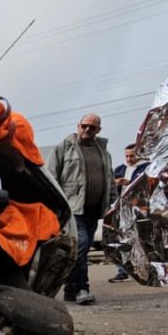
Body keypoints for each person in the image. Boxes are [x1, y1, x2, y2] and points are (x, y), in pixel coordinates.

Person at [48, 113, 114, 304]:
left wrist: (112, 205)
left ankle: (70, 290)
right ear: (78, 126)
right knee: (82, 245)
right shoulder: (64, 148)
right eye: (84, 126)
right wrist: (56, 207)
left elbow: (109, 181)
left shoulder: (104, 152)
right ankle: (81, 288)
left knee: (79, 249)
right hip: (72, 208)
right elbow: (52, 178)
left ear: (98, 130)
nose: (87, 130)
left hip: (93, 210)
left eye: (92, 127)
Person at [108, 144, 147, 282]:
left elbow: (149, 186)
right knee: (121, 240)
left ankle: (143, 269)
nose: (129, 159)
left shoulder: (146, 168)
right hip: (121, 210)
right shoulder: (119, 169)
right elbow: (108, 186)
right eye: (127, 156)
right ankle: (122, 271)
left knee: (141, 240)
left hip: (140, 210)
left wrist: (131, 183)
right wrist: (115, 183)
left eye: (132, 156)